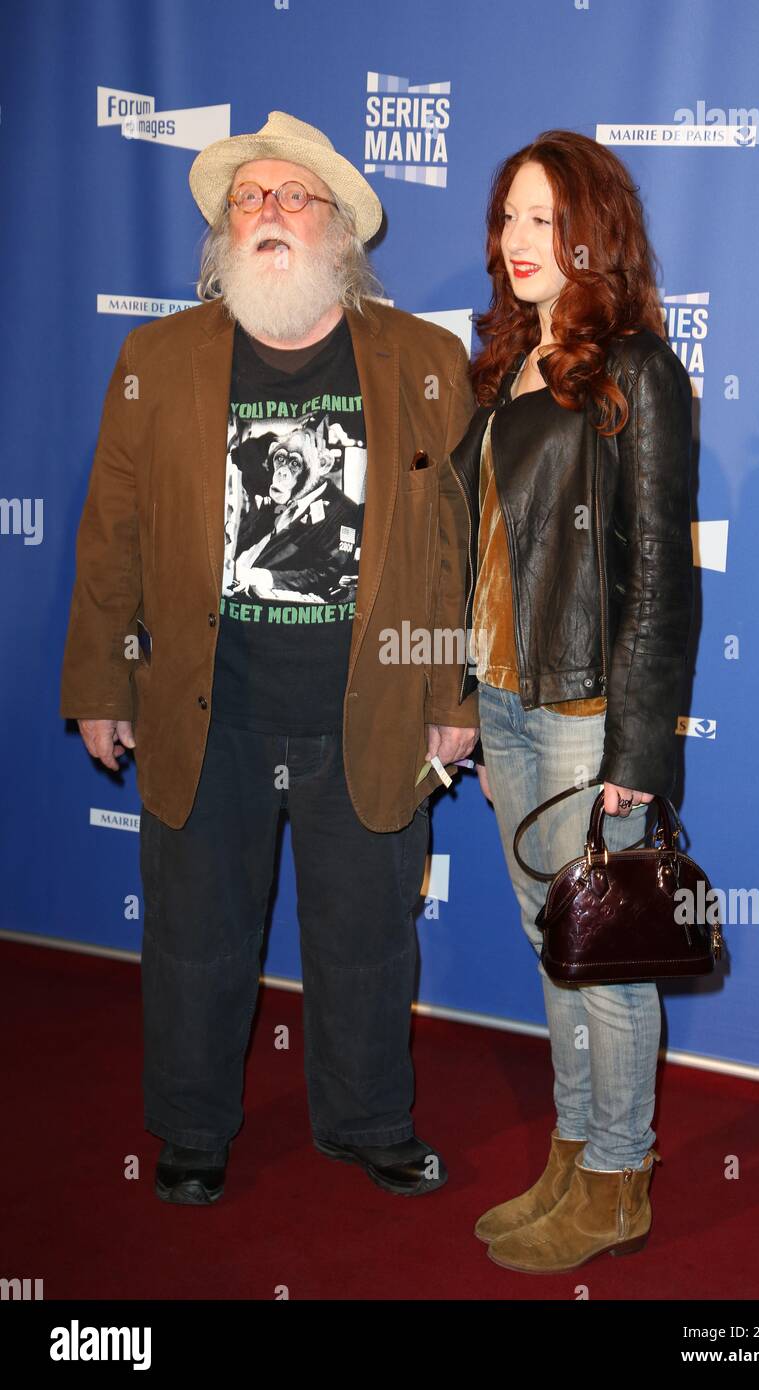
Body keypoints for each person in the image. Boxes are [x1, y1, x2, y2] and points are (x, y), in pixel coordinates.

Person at [59, 111, 478, 1204]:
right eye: (252, 197)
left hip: (371, 713)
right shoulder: (156, 359)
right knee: (196, 942)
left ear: (340, 232)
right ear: (222, 229)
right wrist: (102, 682)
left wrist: (454, 695)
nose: (272, 215)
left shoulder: (428, 362)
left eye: (297, 198)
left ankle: (367, 1116)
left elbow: (461, 552)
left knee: (369, 942)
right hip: (211, 711)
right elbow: (111, 533)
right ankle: (192, 1125)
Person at [449, 130, 695, 1271]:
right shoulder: (500, 365)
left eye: (543, 220)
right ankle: (572, 1149)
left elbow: (658, 578)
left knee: (604, 959)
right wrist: (471, 697)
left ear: (591, 231)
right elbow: (486, 552)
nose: (516, 242)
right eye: (507, 218)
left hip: (587, 713)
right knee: (552, 948)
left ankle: (619, 1179)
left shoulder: (637, 370)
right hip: (507, 699)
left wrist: (634, 752)